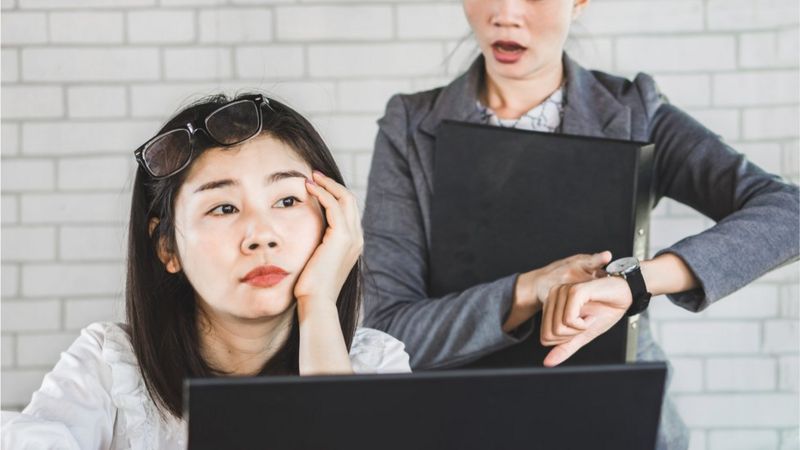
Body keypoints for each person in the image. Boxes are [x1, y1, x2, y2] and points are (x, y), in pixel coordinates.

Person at [361, 1, 799, 449]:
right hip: (467, 422)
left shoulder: (635, 112)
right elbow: (390, 333)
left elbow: (790, 213)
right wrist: (531, 289)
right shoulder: (410, 127)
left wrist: (637, 282)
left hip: (617, 422)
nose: (505, 13)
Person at [2, 93, 410, 449]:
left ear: (332, 221)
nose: (261, 236)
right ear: (167, 246)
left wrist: (318, 303)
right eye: (224, 208)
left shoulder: (374, 364)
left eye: (286, 201)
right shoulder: (109, 366)